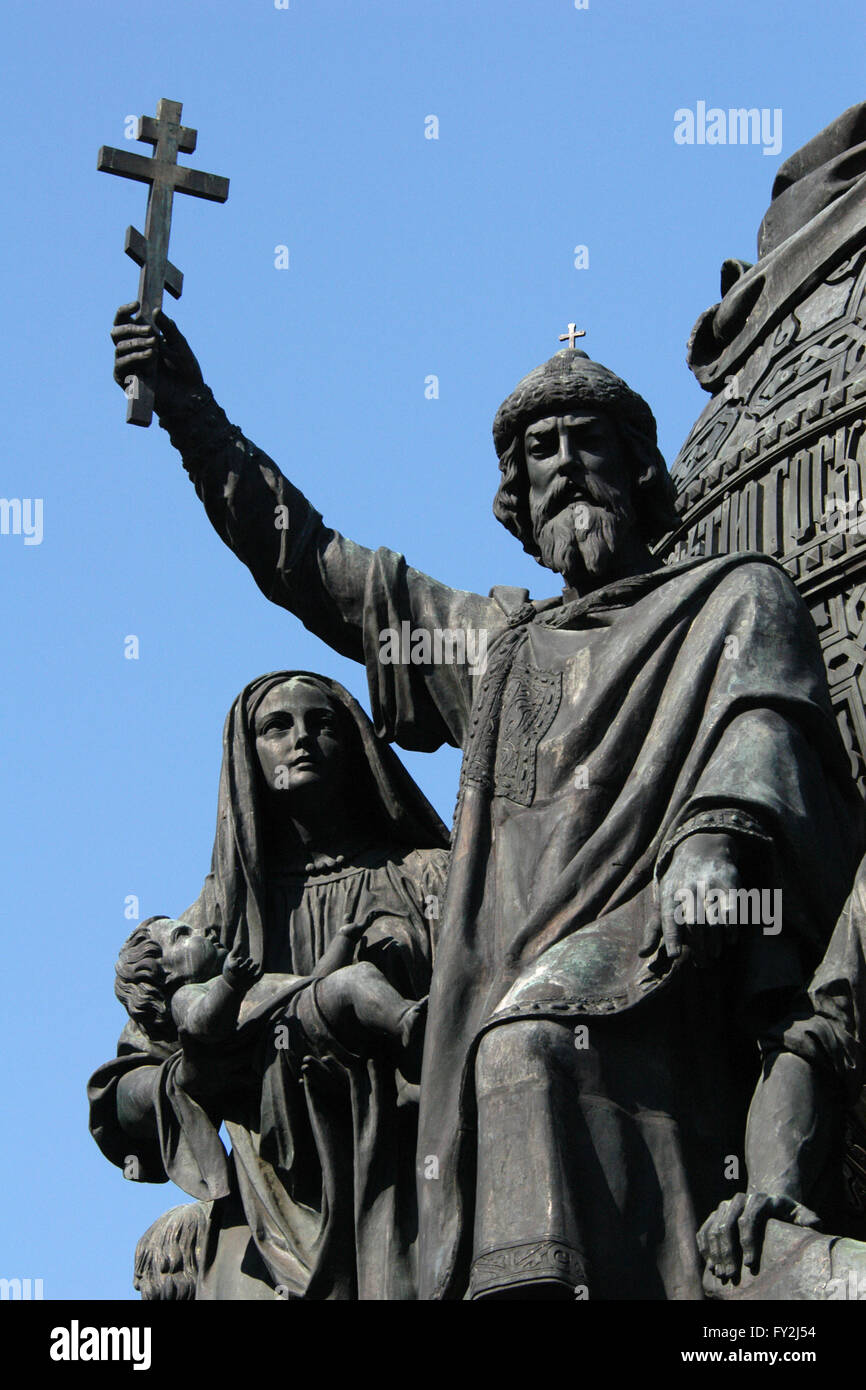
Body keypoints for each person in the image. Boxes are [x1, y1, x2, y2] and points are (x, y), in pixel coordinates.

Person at [109, 309, 863, 1299]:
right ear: (513, 493)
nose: (563, 465)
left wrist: (714, 838)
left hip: (684, 942)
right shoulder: (499, 648)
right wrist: (190, 412)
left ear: (638, 466)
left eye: (585, 442)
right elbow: (324, 574)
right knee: (506, 1037)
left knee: (526, 1042)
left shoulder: (730, 595)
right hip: (519, 969)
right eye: (536, 451)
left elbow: (760, 723)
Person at [89, 671, 449, 1299]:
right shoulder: (210, 924)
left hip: (418, 1157)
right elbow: (123, 1093)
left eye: (323, 723)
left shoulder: (430, 878)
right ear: (247, 756)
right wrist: (194, 1078)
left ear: (358, 744)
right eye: (276, 727)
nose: (301, 738)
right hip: (275, 1190)